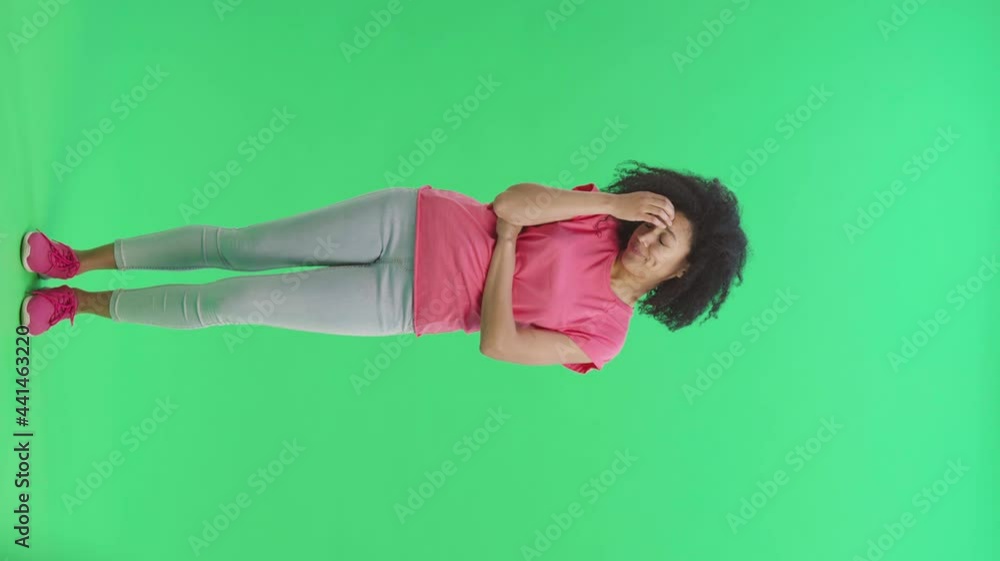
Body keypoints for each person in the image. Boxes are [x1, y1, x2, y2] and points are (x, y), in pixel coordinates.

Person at [19, 161, 749, 373]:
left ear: (681, 275)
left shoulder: (604, 336)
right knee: (243, 245)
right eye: (655, 223)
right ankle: (76, 260)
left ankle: (79, 306)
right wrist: (617, 204)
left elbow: (499, 341)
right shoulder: (602, 218)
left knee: (229, 303)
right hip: (414, 218)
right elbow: (512, 201)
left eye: (664, 243)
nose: (646, 239)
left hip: (402, 306)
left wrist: (505, 245)